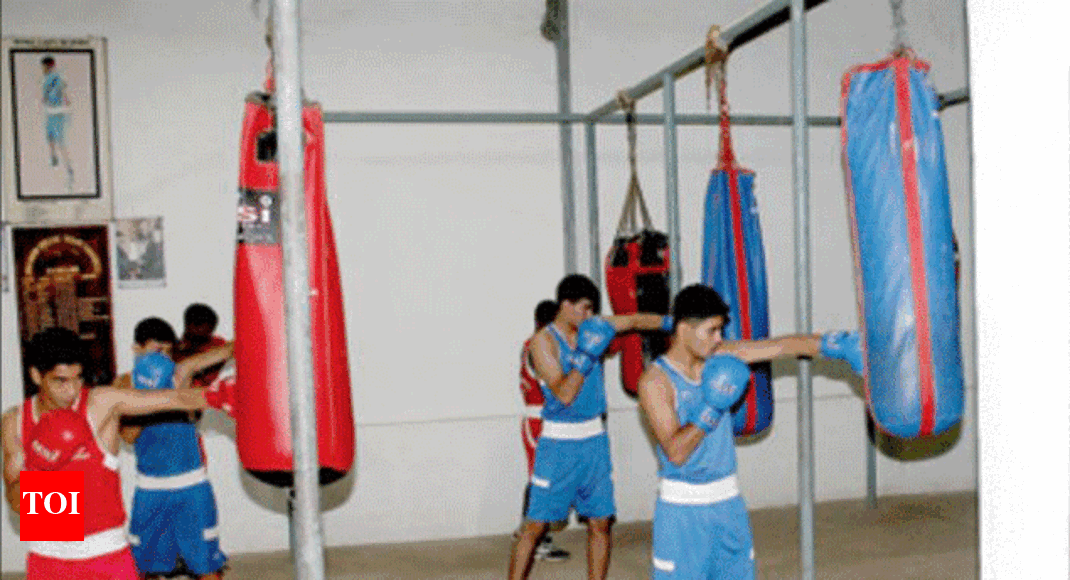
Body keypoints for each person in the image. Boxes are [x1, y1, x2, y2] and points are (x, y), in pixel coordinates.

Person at [636, 284, 862, 579]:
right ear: (683, 329)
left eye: (721, 330)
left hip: (728, 504)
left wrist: (840, 345)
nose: (719, 339)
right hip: (682, 513)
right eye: (711, 330)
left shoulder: (719, 356)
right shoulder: (655, 381)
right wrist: (712, 407)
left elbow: (783, 346)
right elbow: (676, 452)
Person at [1, 327, 216, 580]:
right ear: (37, 375)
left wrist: (226, 396)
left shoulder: (99, 404)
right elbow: (16, 504)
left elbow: (171, 399)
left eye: (77, 378)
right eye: (60, 381)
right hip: (48, 560)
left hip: (107, 557)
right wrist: (38, 470)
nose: (71, 391)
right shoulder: (15, 422)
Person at [508, 274, 675, 580]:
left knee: (601, 522)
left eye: (591, 310)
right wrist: (586, 356)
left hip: (594, 442)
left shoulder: (591, 327)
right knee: (535, 526)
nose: (588, 316)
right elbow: (564, 393)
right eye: (583, 309)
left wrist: (673, 323)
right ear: (565, 305)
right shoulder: (543, 343)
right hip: (558, 446)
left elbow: (635, 319)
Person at [116, 317, 232, 580]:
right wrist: (148, 397)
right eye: (156, 351)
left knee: (207, 566)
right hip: (150, 488)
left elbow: (225, 351)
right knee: (144, 568)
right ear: (137, 349)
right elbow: (129, 437)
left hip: (191, 485)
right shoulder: (123, 384)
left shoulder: (180, 373)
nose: (163, 359)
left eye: (168, 352)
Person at [516, 299, 570, 562]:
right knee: (543, 482)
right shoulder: (538, 348)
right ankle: (536, 539)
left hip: (544, 421)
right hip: (539, 421)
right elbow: (556, 386)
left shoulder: (538, 345)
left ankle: (529, 531)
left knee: (543, 479)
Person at [40, 56, 74, 189]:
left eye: (44, 66)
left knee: (60, 141)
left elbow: (64, 92)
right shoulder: (46, 78)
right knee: (50, 138)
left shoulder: (57, 77)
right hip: (50, 111)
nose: (43, 68)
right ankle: (54, 158)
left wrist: (66, 104)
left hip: (58, 112)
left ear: (49, 65)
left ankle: (69, 168)